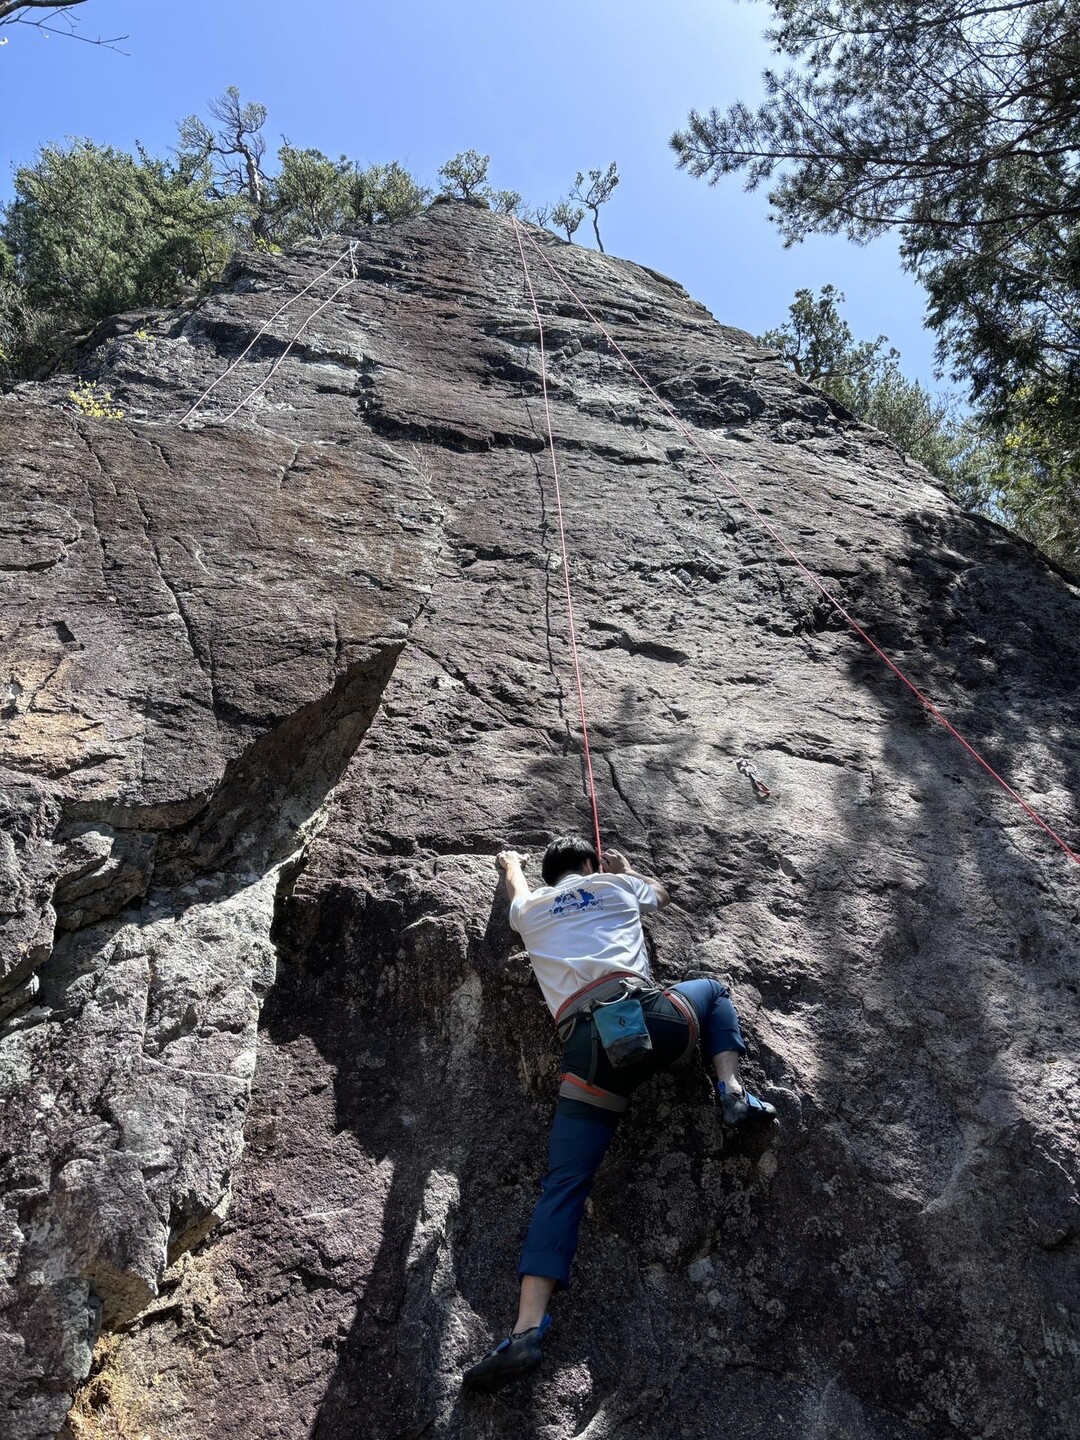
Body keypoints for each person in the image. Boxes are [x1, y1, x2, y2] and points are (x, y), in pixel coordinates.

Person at [463, 832, 776, 1393]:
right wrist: (627, 869)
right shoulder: (613, 883)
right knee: (712, 989)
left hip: (590, 1049)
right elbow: (661, 893)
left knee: (564, 1185)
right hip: (655, 1020)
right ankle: (729, 1088)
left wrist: (509, 864)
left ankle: (527, 1329)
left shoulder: (531, 907)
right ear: (589, 863)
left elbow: (513, 894)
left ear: (550, 874)